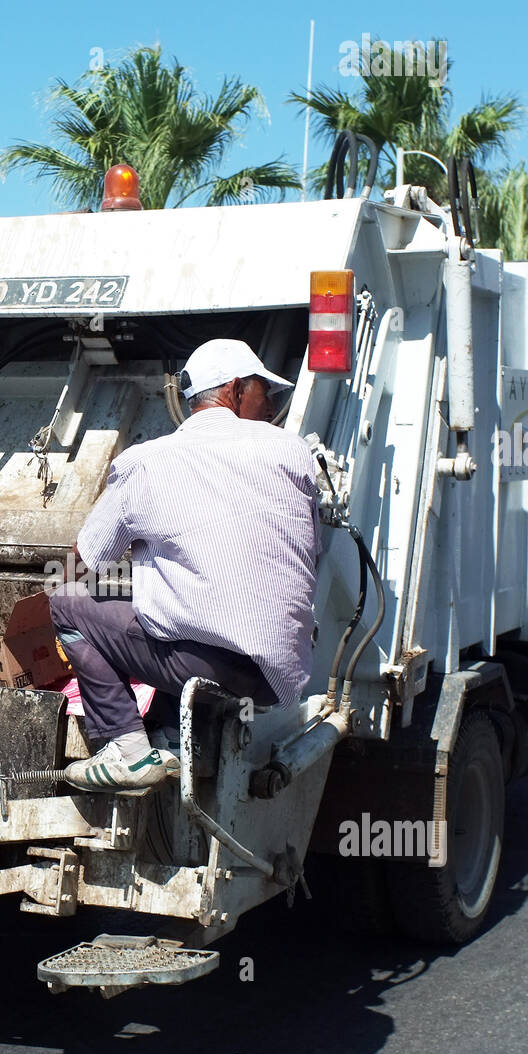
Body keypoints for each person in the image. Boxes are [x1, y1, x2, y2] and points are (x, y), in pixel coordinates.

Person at [50, 338, 321, 791]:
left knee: (67, 603)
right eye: (263, 392)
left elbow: (83, 564)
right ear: (234, 390)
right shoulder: (293, 451)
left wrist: (137, 583)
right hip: (278, 677)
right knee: (180, 608)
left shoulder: (146, 462)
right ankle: (176, 735)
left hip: (207, 668)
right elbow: (309, 554)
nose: (270, 404)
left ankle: (128, 751)